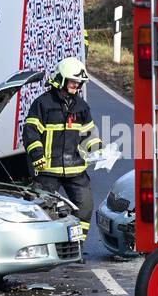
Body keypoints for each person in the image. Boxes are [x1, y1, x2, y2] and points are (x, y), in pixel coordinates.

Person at [22, 57, 103, 240]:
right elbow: (30, 132)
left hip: (76, 168)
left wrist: (97, 150)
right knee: (42, 209)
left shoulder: (81, 107)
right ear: (61, 79)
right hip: (47, 169)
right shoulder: (43, 104)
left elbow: (88, 134)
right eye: (73, 81)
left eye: (79, 82)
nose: (76, 85)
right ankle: (45, 247)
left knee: (85, 207)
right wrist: (37, 156)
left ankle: (77, 247)